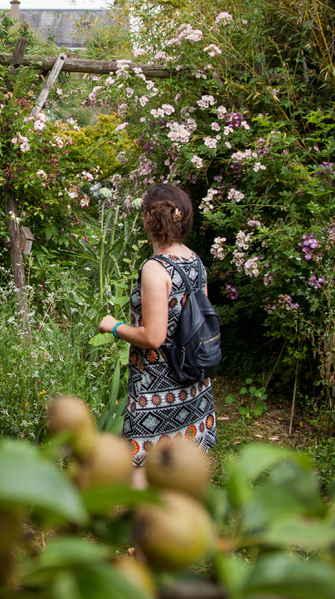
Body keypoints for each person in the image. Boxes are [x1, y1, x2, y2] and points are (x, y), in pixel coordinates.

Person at [98, 183, 217, 486]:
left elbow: (153, 336)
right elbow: (201, 318)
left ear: (150, 218)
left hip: (159, 384)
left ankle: (144, 526)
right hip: (193, 378)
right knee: (183, 458)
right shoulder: (196, 261)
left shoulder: (156, 268)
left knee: (144, 462)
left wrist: (112, 325)